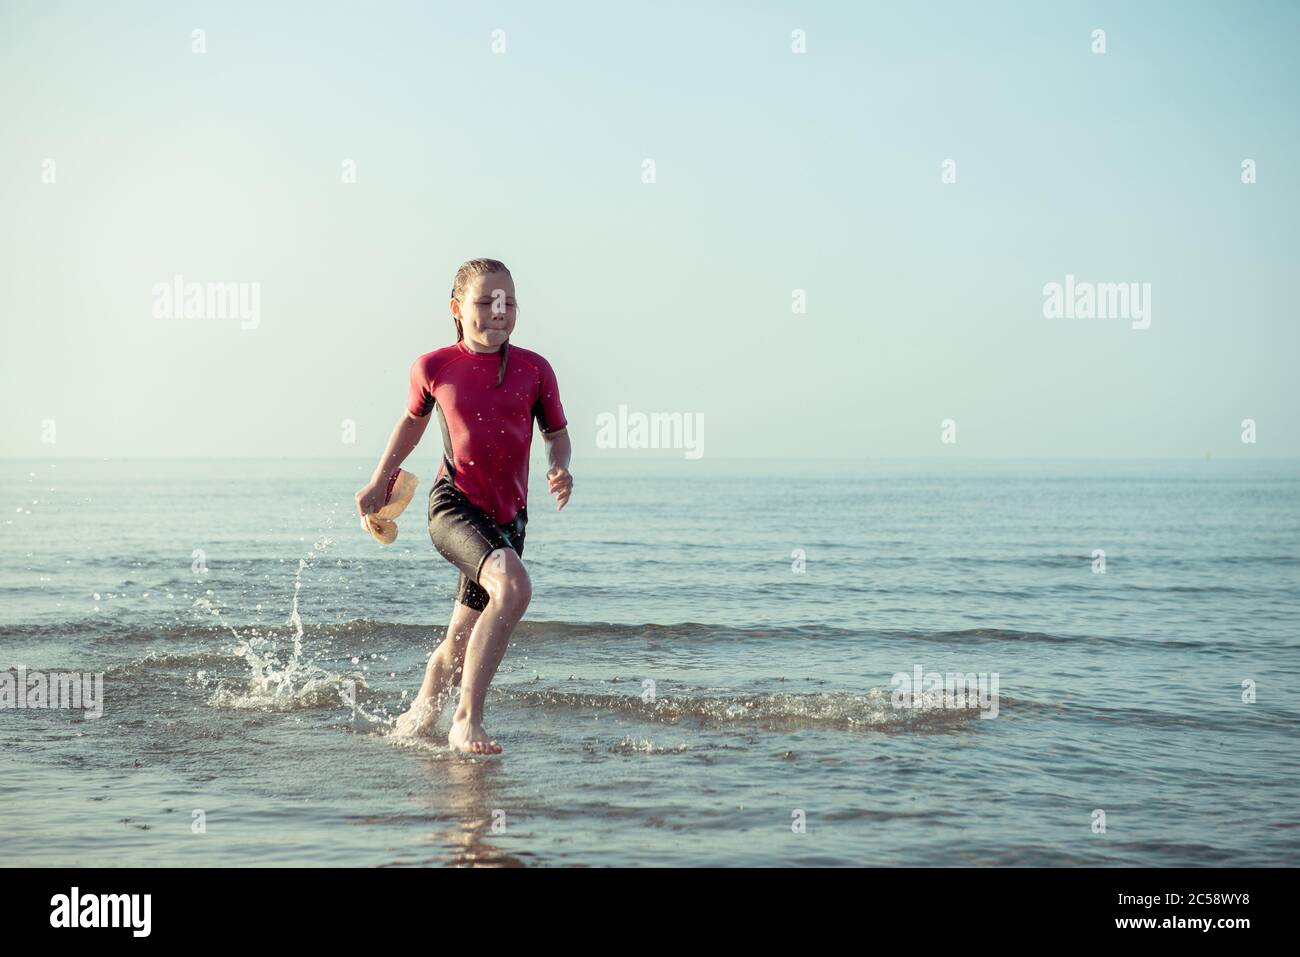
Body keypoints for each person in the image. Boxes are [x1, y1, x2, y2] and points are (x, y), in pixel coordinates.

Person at [355, 258, 573, 754]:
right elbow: (411, 424)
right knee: (513, 587)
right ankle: (466, 721)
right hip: (454, 507)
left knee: (462, 635)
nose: (499, 311)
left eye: (509, 301)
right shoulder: (435, 367)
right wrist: (378, 480)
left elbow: (556, 432)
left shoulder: (535, 370)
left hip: (508, 520)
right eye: (485, 301)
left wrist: (560, 466)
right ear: (456, 308)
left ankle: (418, 716)